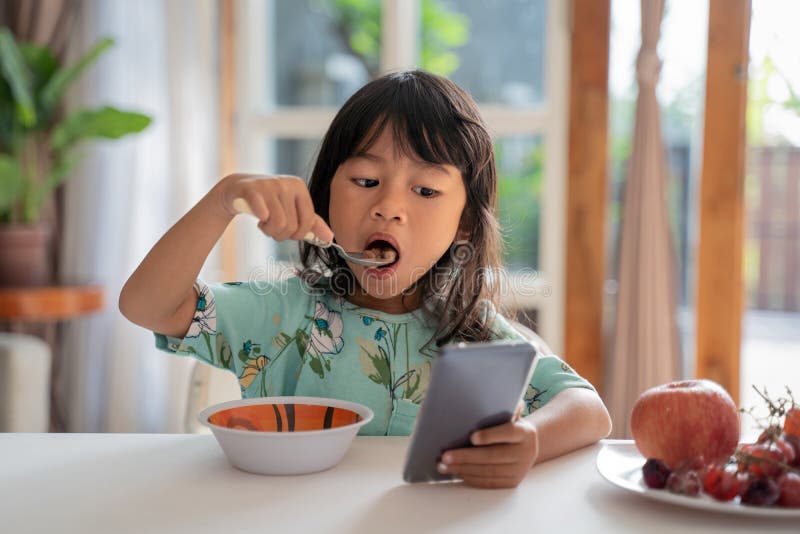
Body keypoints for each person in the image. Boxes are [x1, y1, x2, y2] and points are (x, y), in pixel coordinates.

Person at [120, 70, 611, 489]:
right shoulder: (281, 314)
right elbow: (147, 306)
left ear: (464, 223)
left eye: (425, 190)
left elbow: (589, 409)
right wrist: (223, 199)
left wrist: (531, 441)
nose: (389, 207)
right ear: (325, 196)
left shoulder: (474, 332)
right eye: (366, 181)